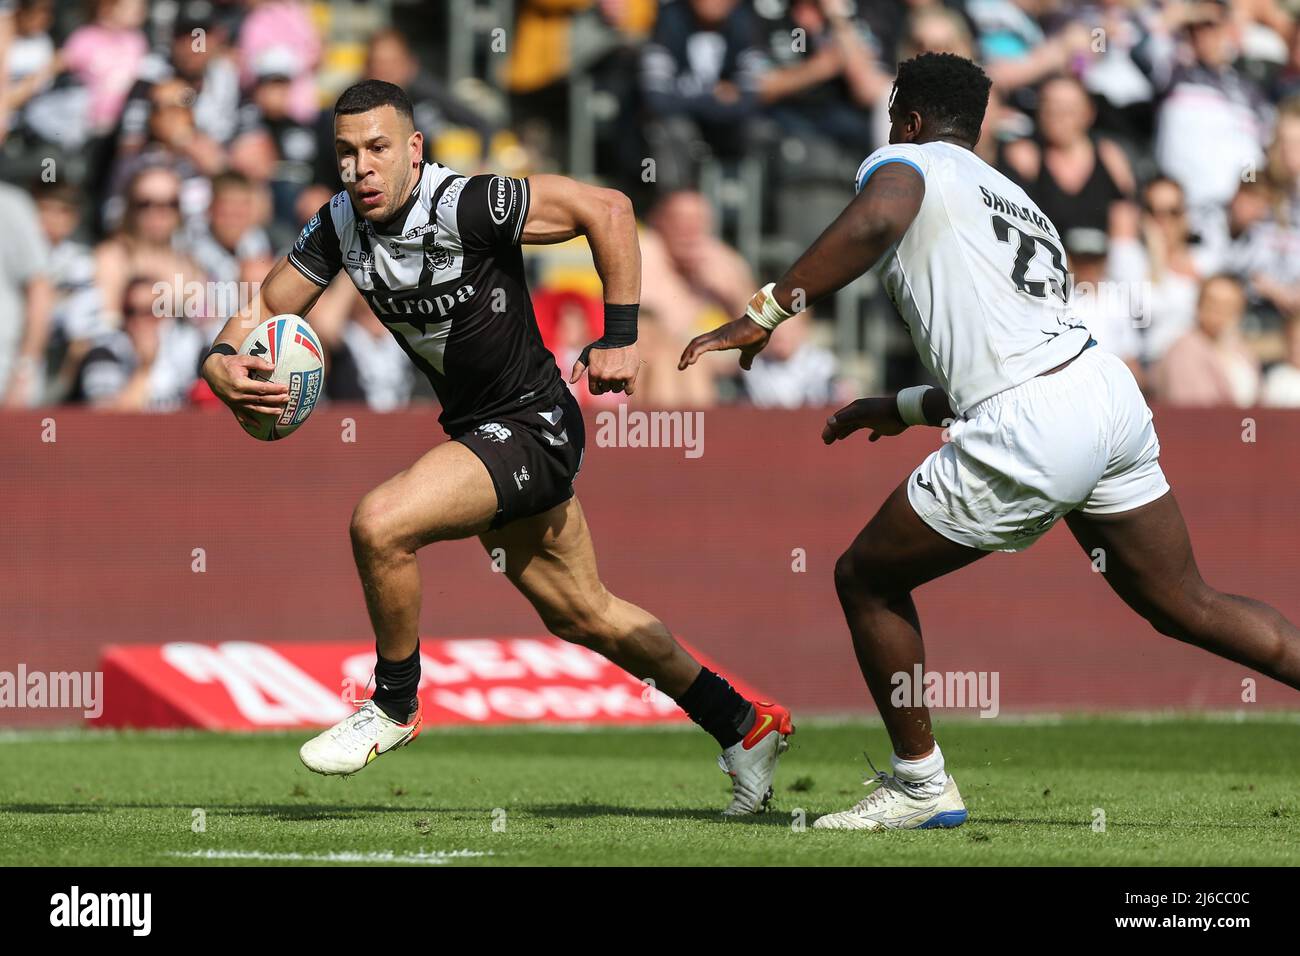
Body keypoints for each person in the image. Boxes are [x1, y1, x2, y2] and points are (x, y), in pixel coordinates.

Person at [681, 52, 1300, 830]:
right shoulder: (1013, 197)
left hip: (1037, 420)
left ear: (908, 118)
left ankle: (920, 785)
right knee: (1189, 603)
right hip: (1105, 394)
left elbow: (877, 219)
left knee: (865, 578)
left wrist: (765, 310)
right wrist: (903, 406)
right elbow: (1014, 349)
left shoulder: (907, 161)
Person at [199, 81, 793, 814]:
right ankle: (744, 723)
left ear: (414, 150)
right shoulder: (339, 224)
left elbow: (607, 207)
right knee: (585, 615)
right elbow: (263, 302)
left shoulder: (467, 204)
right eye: (347, 153)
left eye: (379, 149)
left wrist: (620, 335)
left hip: (532, 425)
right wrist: (219, 363)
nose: (361, 168)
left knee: (379, 524)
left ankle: (393, 706)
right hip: (482, 433)